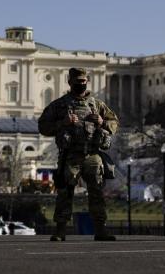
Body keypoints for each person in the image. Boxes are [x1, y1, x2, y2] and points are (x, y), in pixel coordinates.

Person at [38, 67, 118, 241]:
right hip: (70, 155)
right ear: (70, 82)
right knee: (65, 193)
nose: (80, 84)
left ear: (87, 81)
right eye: (77, 82)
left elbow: (114, 123)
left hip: (92, 154)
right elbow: (43, 126)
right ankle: (60, 230)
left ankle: (100, 229)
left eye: (83, 81)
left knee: (97, 192)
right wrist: (62, 123)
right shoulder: (60, 105)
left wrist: (102, 122)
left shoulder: (96, 104)